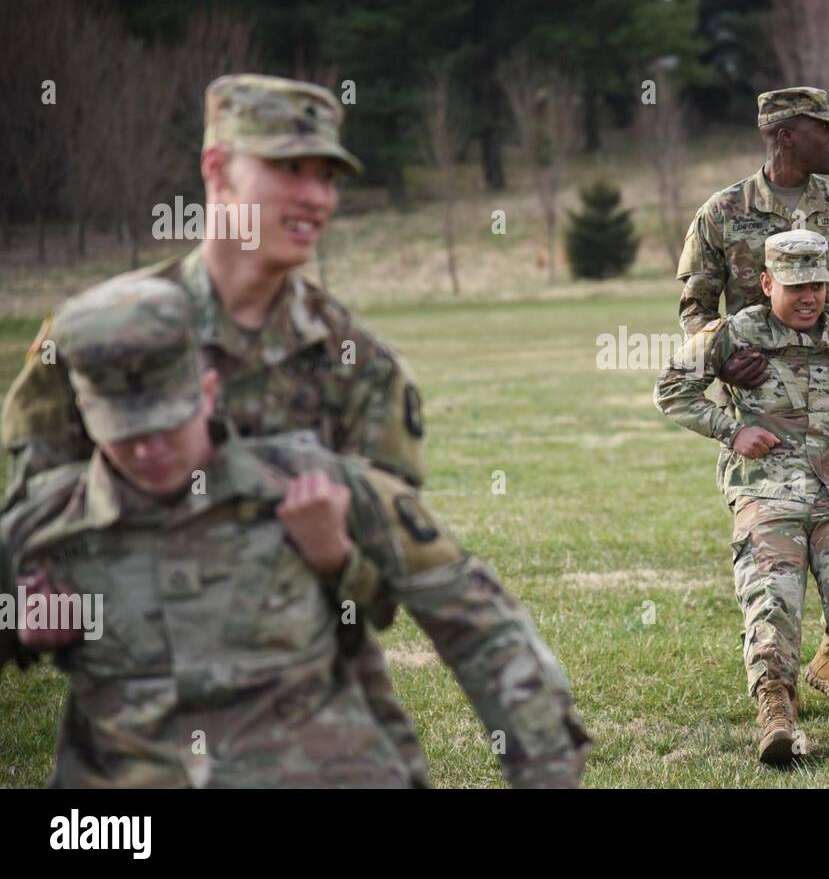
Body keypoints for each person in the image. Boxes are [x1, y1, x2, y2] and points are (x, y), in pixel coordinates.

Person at [1, 74, 432, 783]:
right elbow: (32, 536)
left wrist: (333, 558)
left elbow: (382, 591)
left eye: (326, 175)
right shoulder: (91, 340)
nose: (316, 196)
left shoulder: (364, 369)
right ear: (216, 169)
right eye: (288, 167)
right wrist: (29, 604)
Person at [0, 276, 589, 788]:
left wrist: (544, 773)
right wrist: (20, 630)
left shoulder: (317, 488)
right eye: (124, 433)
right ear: (84, 411)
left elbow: (481, 627)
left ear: (207, 393)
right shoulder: (43, 531)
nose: (150, 448)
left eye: (167, 422)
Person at [655, 231, 829, 764]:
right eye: (795, 287)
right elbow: (672, 386)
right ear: (767, 284)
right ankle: (776, 709)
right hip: (768, 494)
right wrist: (730, 429)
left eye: (817, 285)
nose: (809, 297)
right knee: (770, 595)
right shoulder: (734, 333)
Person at [675, 86, 829, 709]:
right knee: (772, 540)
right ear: (783, 135)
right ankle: (776, 680)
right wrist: (723, 357)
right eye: (823, 128)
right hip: (763, 409)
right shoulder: (722, 213)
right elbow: (696, 307)